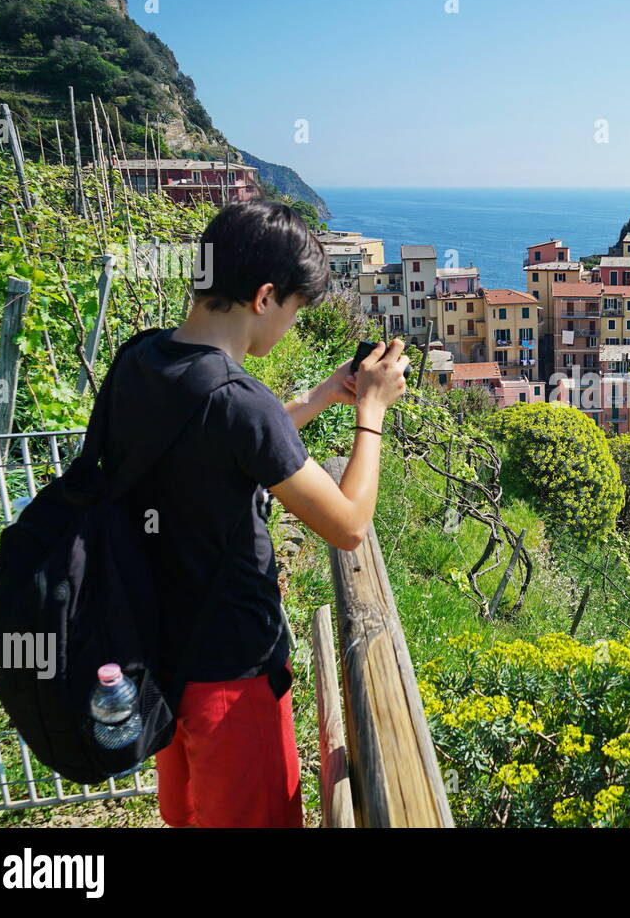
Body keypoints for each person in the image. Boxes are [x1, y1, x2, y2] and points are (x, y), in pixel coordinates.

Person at [101, 201, 408, 827]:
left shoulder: (141, 359)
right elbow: (348, 525)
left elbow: (224, 445)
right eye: (296, 310)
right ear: (266, 296)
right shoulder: (241, 403)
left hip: (158, 661)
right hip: (232, 682)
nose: (292, 326)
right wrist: (368, 413)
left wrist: (319, 396)